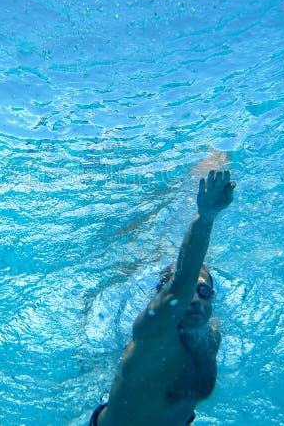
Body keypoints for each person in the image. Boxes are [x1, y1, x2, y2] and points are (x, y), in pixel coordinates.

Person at [91, 170, 236, 425]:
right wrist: (205, 216)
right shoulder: (153, 332)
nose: (195, 300)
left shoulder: (210, 339)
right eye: (188, 292)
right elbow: (181, 284)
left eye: (203, 291)